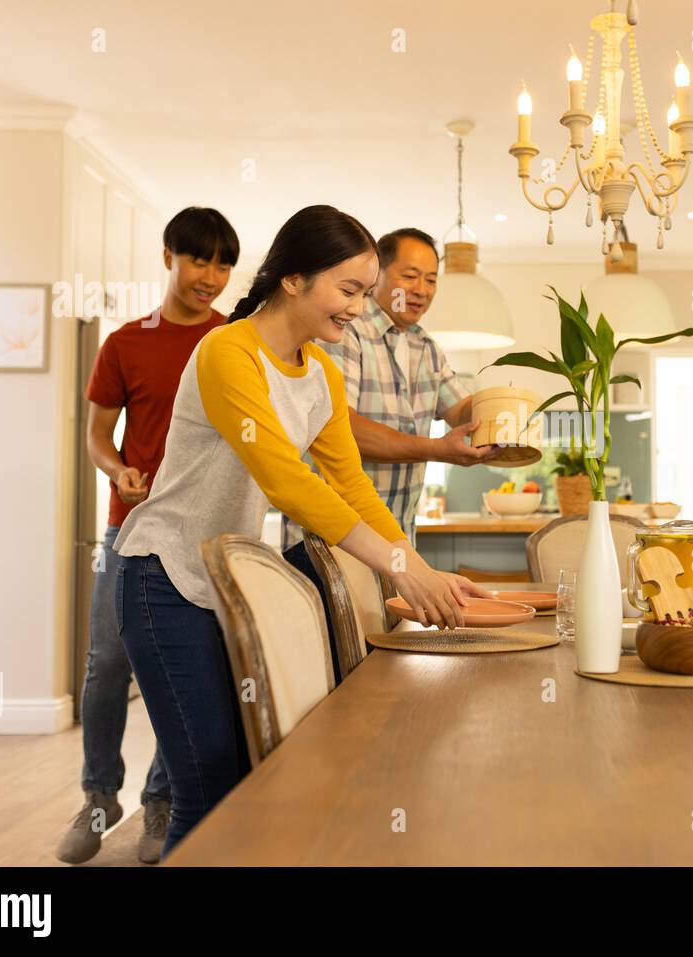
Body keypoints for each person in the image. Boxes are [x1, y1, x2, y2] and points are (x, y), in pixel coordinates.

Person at [113, 205, 490, 854]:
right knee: (205, 789)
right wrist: (402, 570)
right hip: (164, 577)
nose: (357, 308)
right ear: (293, 279)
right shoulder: (228, 351)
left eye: (364, 294)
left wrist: (422, 569)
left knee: (243, 781)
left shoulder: (321, 374)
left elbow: (353, 487)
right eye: (347, 290)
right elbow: (289, 481)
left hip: (228, 582)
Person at [56, 206, 238, 866]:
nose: (210, 275)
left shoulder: (232, 343)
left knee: (184, 663)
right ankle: (99, 794)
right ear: (168, 255)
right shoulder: (125, 343)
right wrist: (117, 468)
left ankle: (161, 797)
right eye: (198, 258)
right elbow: (97, 435)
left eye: (222, 263)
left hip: (202, 537)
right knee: (107, 662)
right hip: (125, 529)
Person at [327, 228, 495, 541]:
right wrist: (436, 449)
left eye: (431, 280)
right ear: (376, 275)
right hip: (336, 540)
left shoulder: (426, 346)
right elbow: (342, 428)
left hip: (396, 537)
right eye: (410, 276)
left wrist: (502, 409)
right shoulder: (346, 331)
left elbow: (461, 410)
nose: (421, 290)